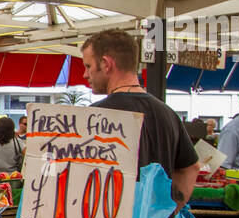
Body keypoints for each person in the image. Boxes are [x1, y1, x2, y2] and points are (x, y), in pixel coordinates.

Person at [82, 30, 200, 205]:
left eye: (88, 66)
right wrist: (166, 213)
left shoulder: (93, 117)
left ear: (106, 64)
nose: (85, 75)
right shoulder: (168, 114)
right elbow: (191, 168)